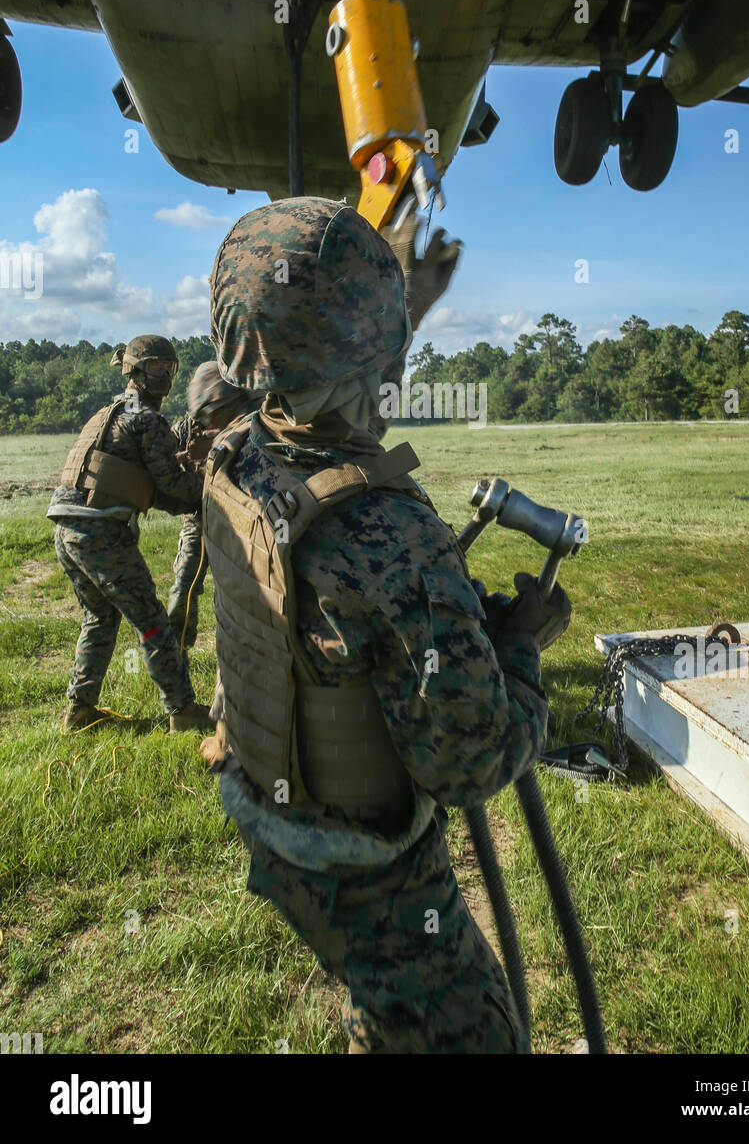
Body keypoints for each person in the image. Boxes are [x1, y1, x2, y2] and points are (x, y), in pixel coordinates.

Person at [201, 198, 571, 1053]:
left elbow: (294, 336)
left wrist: (395, 299)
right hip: (364, 874)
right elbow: (471, 762)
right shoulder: (392, 540)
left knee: (377, 1005)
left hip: (267, 816)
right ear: (371, 356)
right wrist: (518, 652)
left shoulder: (233, 448)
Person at [48, 335, 214, 734]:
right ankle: (182, 711)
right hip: (100, 532)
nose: (165, 377)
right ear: (135, 371)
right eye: (157, 368)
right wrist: (213, 487)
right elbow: (171, 486)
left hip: (68, 529)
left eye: (170, 369)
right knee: (152, 621)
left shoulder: (107, 413)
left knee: (100, 617)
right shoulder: (145, 419)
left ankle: (79, 711)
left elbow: (151, 490)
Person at [166, 361, 262, 655]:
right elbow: (162, 461)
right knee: (184, 586)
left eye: (214, 413)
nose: (209, 422)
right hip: (198, 516)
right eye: (205, 414)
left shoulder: (252, 425)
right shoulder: (185, 429)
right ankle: (176, 649)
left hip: (242, 518)